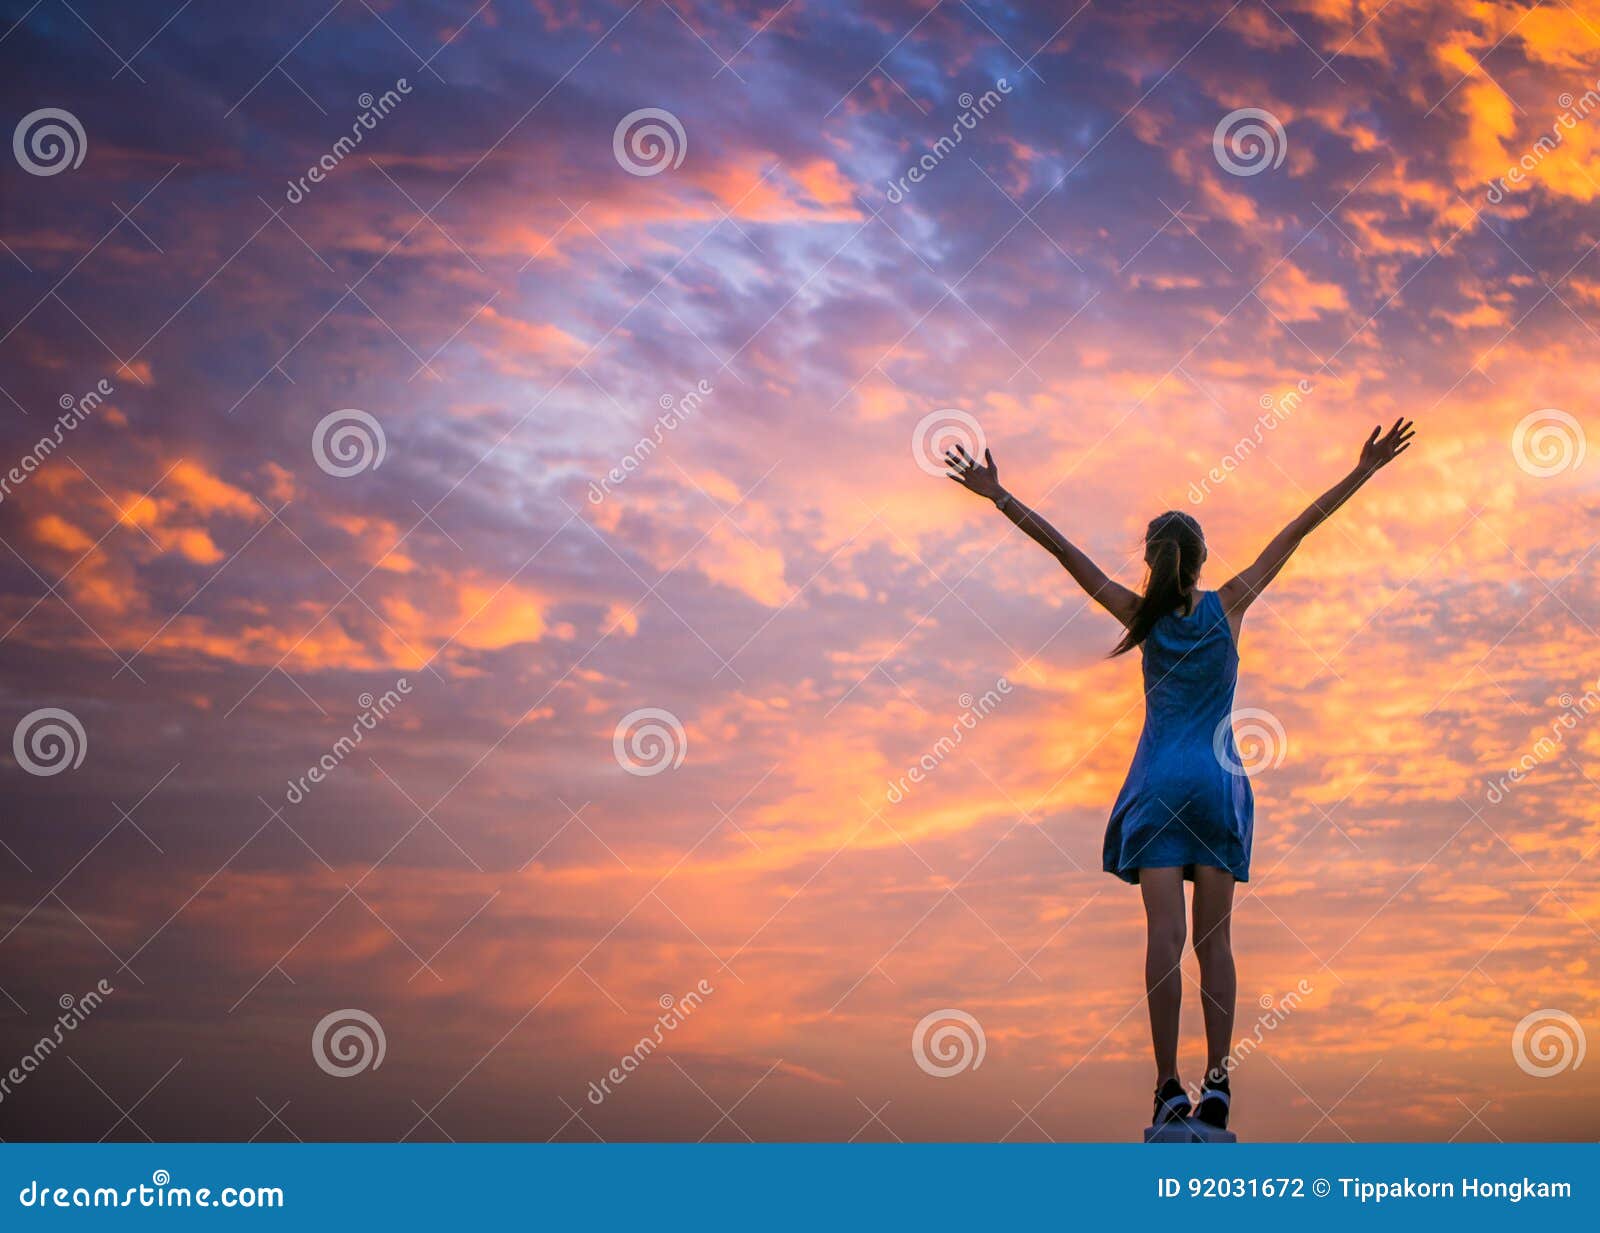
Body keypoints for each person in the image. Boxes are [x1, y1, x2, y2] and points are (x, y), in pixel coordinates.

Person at [942, 419, 1415, 1133]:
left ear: (1155, 563)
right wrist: (1366, 469)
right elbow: (1300, 526)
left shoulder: (1141, 614)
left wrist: (998, 495)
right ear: (1198, 561)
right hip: (1216, 785)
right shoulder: (1231, 603)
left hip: (1159, 785)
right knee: (1214, 943)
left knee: (1162, 939)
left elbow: (1064, 550)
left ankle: (1167, 1087)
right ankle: (1217, 1083)